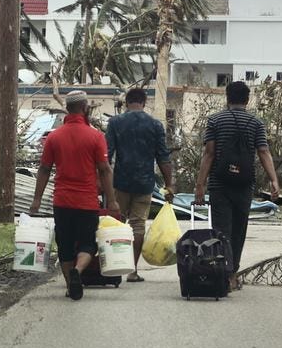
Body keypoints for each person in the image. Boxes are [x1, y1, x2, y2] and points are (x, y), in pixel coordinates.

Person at [30, 91, 119, 300]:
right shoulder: (95, 136)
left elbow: (44, 169)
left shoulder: (54, 137)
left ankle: (71, 286)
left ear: (67, 109)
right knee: (88, 244)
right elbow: (105, 169)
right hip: (87, 201)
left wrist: (36, 200)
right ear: (85, 108)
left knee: (65, 246)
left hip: (62, 201)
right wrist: (112, 200)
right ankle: (77, 272)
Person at [194, 81, 280, 290]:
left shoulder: (215, 120)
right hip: (244, 184)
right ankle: (232, 276)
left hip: (219, 184)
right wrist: (274, 179)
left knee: (221, 230)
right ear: (247, 100)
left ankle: (222, 272)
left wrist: (200, 184)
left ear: (227, 98)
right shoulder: (256, 123)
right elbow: (263, 151)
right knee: (239, 230)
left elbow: (209, 153)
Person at [105, 87, 175, 282]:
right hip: (144, 183)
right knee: (138, 225)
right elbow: (163, 157)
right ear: (144, 103)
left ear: (127, 103)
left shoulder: (115, 122)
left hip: (120, 182)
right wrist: (169, 184)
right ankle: (132, 271)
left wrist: (102, 183)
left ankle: (115, 268)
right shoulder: (155, 125)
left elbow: (106, 155)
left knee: (117, 223)